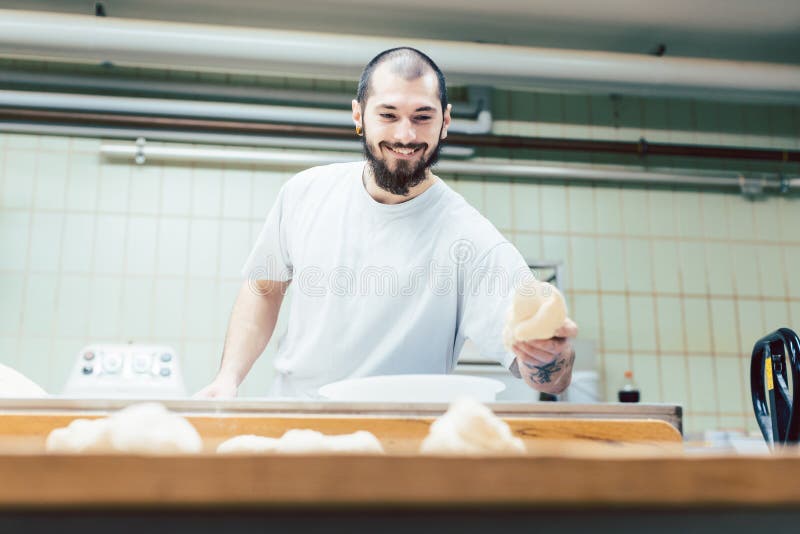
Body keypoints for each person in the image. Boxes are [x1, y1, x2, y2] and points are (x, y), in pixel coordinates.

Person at [197, 47, 578, 399]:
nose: (405, 135)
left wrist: (550, 356)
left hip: (403, 447)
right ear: (359, 115)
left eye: (422, 117)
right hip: (297, 433)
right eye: (389, 114)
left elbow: (548, 375)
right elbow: (263, 288)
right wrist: (228, 378)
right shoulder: (304, 193)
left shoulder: (473, 241)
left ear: (445, 121)